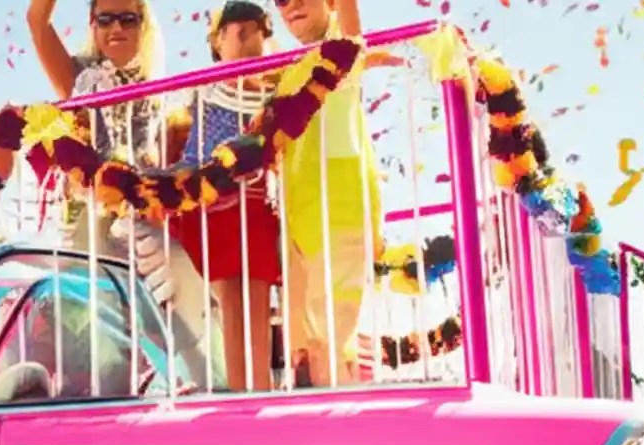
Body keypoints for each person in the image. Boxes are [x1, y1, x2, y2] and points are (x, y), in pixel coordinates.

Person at [27, 0, 225, 389]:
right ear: (93, 25)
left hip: (145, 215)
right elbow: (37, 21)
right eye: (105, 19)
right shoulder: (78, 77)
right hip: (93, 219)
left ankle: (214, 394)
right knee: (104, 325)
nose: (116, 28)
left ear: (142, 25)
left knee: (183, 303)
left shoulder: (154, 87)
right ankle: (111, 402)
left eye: (127, 19)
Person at [168, 0, 280, 392]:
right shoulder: (207, 93)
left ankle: (260, 392)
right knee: (230, 302)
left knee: (258, 300)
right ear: (218, 41)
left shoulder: (279, 90)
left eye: (258, 32)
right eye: (239, 32)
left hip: (260, 203)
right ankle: (239, 393)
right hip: (217, 206)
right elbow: (194, 153)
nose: (250, 40)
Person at [274, 0, 381, 388]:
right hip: (300, 218)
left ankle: (344, 417)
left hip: (340, 209)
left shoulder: (340, 49)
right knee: (312, 342)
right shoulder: (288, 71)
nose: (292, 5)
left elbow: (352, 33)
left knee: (332, 333)